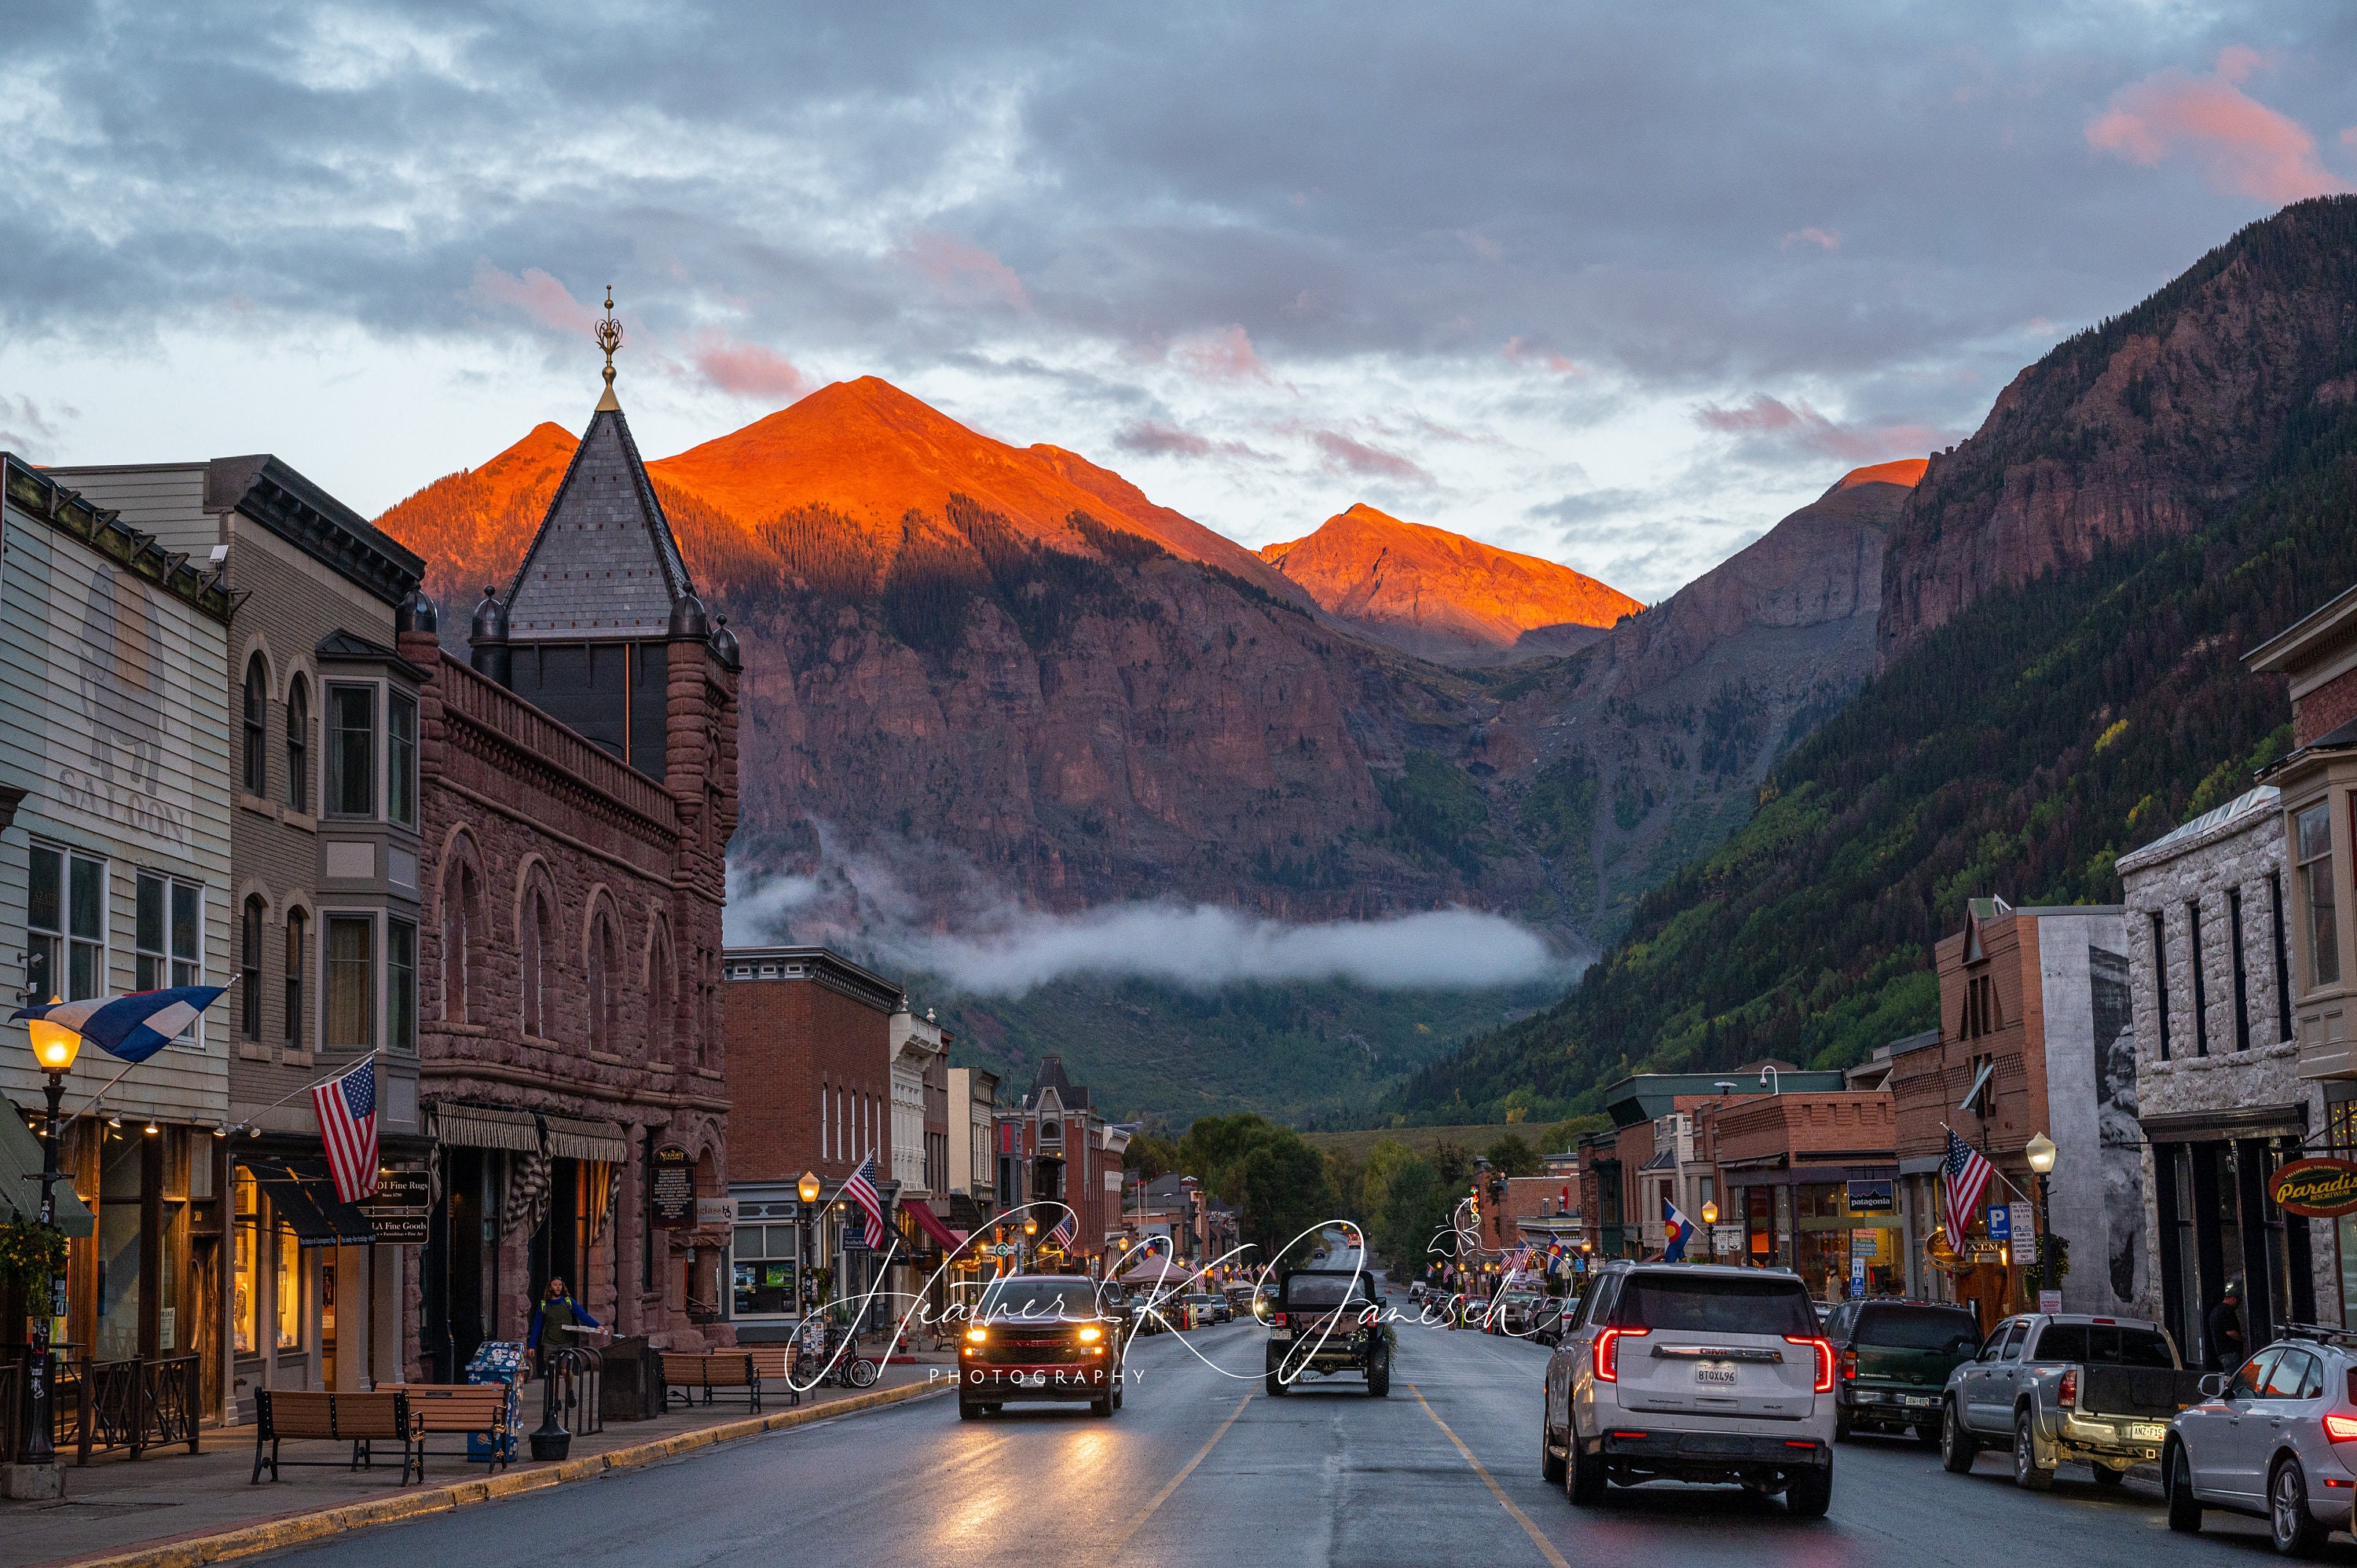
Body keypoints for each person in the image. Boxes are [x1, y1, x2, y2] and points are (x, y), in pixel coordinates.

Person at [527, 1277, 603, 1373]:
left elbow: (582, 1315)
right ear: (550, 1287)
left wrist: (597, 1325)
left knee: (566, 1371)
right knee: (552, 1372)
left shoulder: (568, 1301)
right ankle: (554, 1389)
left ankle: (569, 1388)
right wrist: (532, 1345)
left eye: (560, 1285)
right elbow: (537, 1325)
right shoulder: (544, 1304)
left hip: (566, 1342)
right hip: (550, 1343)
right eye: (555, 1285)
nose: (558, 1287)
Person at [2206, 1277, 2246, 1372]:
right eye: (2238, 1301)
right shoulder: (2227, 1311)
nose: (2238, 1304)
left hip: (2221, 1352)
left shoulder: (2215, 1311)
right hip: (2230, 1353)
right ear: (2233, 1299)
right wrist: (2243, 1339)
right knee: (2235, 1379)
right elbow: (2231, 1332)